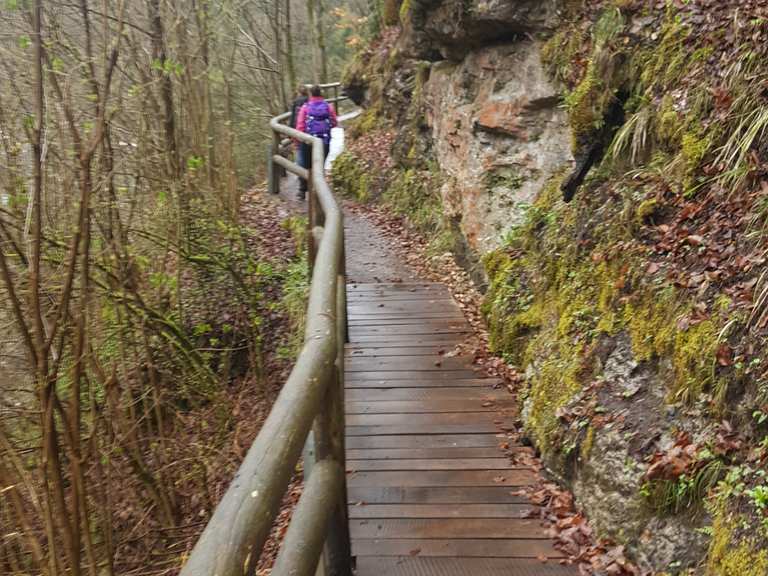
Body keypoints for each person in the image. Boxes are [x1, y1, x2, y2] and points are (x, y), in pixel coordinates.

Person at [295, 85, 337, 200]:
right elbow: (334, 122)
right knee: (320, 167)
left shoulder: (305, 108)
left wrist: (297, 142)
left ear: (311, 95)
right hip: (324, 141)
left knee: (306, 167)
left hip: (308, 143)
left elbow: (300, 126)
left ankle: (302, 191)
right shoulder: (328, 107)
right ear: (321, 94)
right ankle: (319, 194)